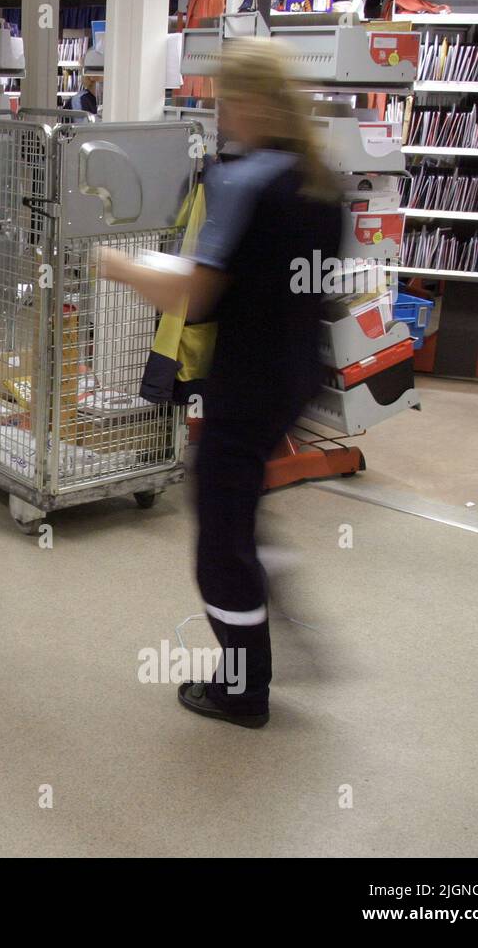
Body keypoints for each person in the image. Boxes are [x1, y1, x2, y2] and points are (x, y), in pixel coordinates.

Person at [98, 38, 343, 728]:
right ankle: (275, 614)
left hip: (245, 382)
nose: (219, 110)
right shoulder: (323, 182)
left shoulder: (246, 181)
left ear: (257, 102)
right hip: (295, 374)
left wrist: (121, 265)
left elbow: (199, 296)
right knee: (242, 510)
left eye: (227, 97)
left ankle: (243, 689)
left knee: (219, 542)